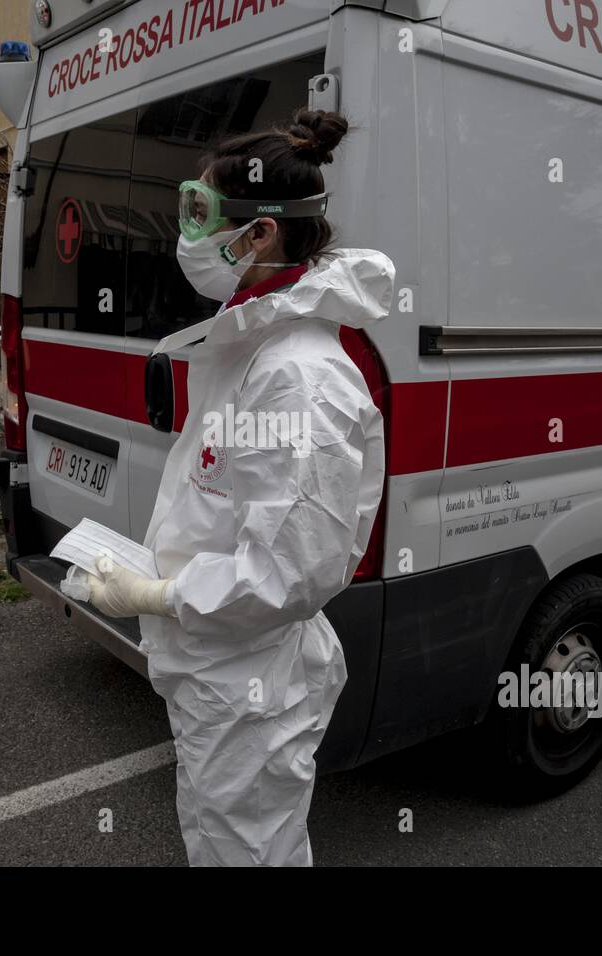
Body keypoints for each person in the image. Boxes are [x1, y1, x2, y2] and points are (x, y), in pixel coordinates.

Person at [85, 108, 394, 866]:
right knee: (226, 844)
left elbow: (291, 573)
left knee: (249, 855)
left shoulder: (299, 380)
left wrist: (155, 596)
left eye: (200, 211)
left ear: (260, 234)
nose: (185, 232)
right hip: (218, 673)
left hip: (251, 684)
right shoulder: (247, 346)